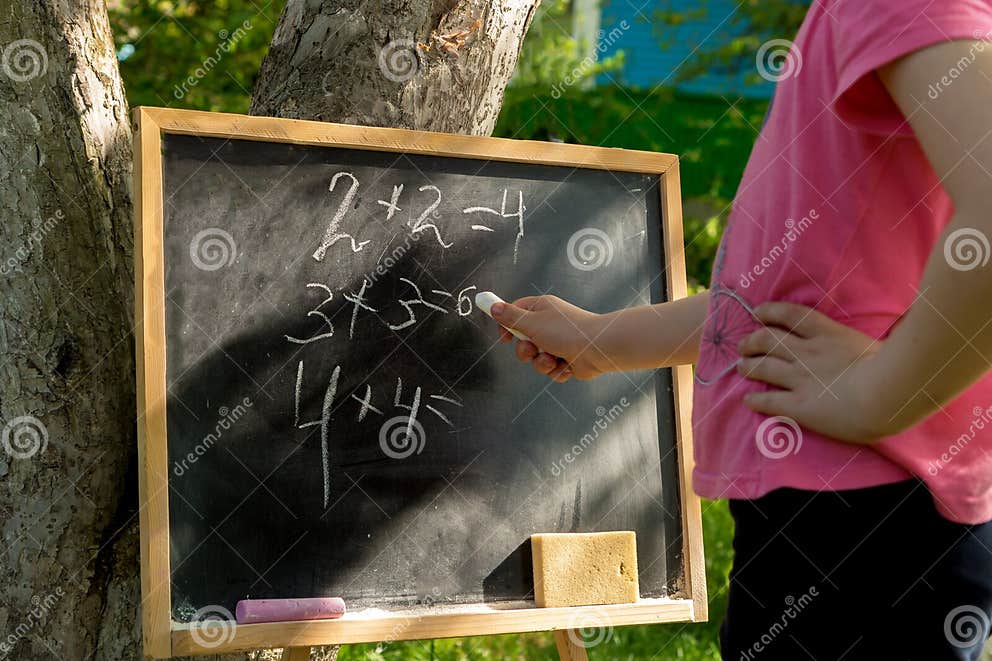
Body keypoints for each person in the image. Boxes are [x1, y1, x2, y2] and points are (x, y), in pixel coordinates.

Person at [484, 1, 992, 658]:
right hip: (855, 511)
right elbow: (779, 301)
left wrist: (877, 396)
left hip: (858, 518)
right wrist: (603, 339)